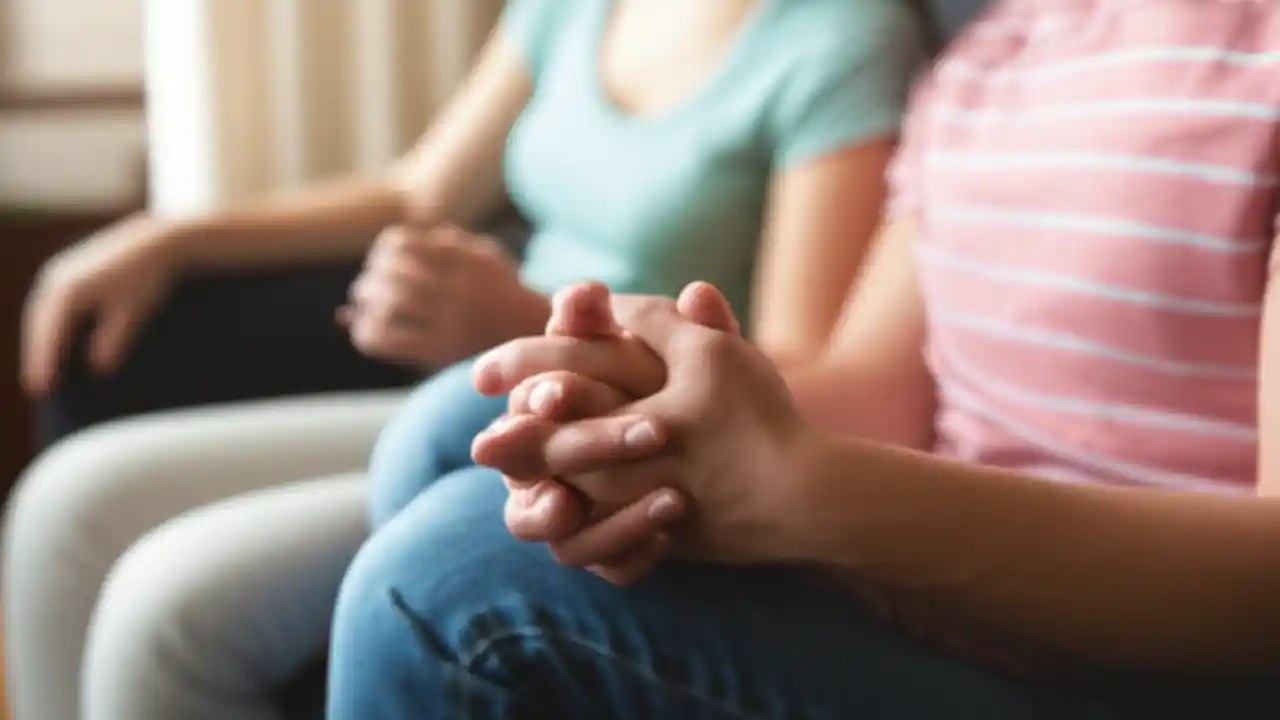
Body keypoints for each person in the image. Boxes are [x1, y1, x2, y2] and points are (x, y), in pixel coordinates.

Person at [327, 0, 1280, 716]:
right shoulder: (995, 54)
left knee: (447, 590)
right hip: (931, 597)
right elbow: (872, 392)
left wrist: (814, 500)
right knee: (472, 419)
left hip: (1134, 674)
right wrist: (642, 405)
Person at [5, 0, 924, 717]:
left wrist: (518, 318)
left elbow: (800, 374)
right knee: (70, 500)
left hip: (602, 432)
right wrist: (171, 238)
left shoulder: (845, 40)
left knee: (169, 613)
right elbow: (418, 188)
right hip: (475, 390)